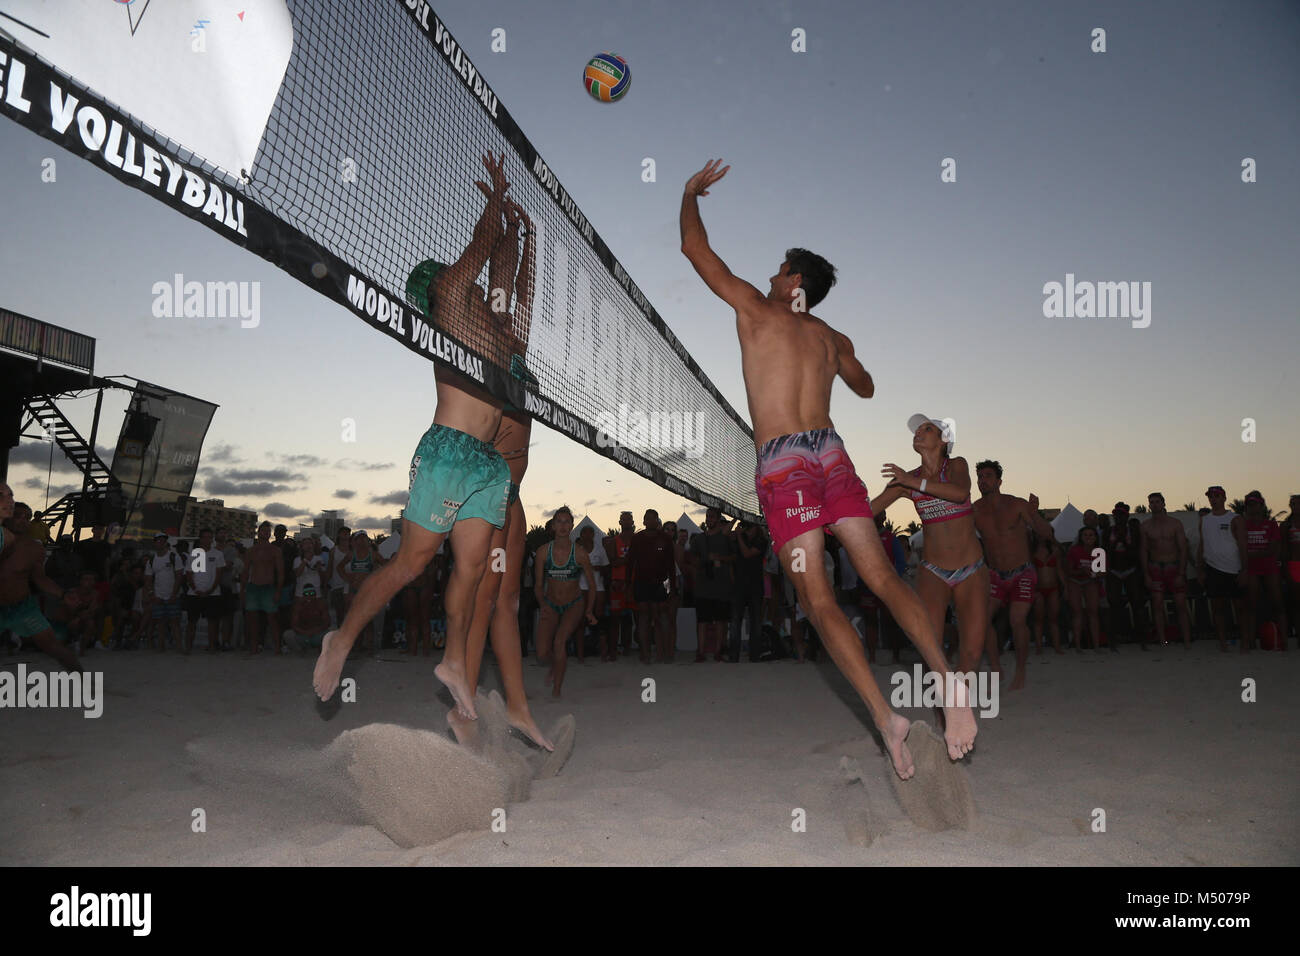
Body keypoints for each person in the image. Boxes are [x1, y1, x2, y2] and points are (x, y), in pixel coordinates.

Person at [679, 158, 975, 774]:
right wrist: (839, 359)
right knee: (883, 579)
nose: (768, 273)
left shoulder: (756, 310)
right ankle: (946, 682)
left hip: (786, 462)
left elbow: (692, 247)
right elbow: (866, 388)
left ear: (793, 282)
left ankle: (886, 718)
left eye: (778, 268)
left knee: (817, 599)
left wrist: (690, 194)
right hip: (832, 453)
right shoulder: (830, 335)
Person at [314, 152, 531, 715]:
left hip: (486, 465)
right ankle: (342, 639)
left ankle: (455, 661)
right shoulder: (453, 302)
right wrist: (493, 209)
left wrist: (519, 232)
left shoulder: (494, 326)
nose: (477, 283)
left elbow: (506, 278)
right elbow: (481, 255)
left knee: (473, 568)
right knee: (413, 564)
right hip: (450, 451)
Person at [869, 415, 989, 676]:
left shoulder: (956, 465)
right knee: (930, 651)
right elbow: (869, 512)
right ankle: (941, 712)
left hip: (972, 569)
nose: (919, 432)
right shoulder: (906, 479)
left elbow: (960, 494)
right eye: (917, 430)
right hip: (933, 571)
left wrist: (912, 482)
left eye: (927, 429)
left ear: (944, 439)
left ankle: (957, 710)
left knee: (972, 653)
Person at [971, 460, 1056, 689]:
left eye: (987, 476)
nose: (982, 480)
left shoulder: (1016, 504)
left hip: (1022, 573)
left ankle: (1020, 670)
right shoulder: (975, 510)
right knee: (982, 620)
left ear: (999, 481)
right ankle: (996, 666)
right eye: (979, 476)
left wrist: (1035, 514)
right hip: (995, 574)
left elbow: (1046, 533)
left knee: (1017, 620)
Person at [0, 493, 84, 672]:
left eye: (27, 517)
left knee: (54, 646)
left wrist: (63, 594)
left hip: (22, 607)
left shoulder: (35, 548)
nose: (23, 520)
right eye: (18, 515)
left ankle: (84, 679)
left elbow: (40, 578)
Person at [531, 507, 597, 698]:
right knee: (542, 653)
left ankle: (557, 691)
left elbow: (592, 586)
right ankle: (556, 664)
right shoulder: (543, 552)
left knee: (560, 642)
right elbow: (537, 585)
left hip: (573, 604)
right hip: (550, 603)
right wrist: (542, 604)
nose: (562, 525)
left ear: (572, 526)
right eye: (559, 521)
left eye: (567, 521)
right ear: (552, 526)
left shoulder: (580, 553)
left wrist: (590, 611)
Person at [1197, 485, 1248, 652]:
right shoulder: (1204, 520)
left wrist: (1244, 570)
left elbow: (1242, 545)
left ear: (1224, 498)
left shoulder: (1235, 518)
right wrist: (1200, 569)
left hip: (1234, 569)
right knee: (1218, 609)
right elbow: (1202, 545)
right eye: (1211, 496)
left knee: (1240, 609)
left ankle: (1245, 643)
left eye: (1217, 496)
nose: (1213, 499)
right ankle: (1222, 643)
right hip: (1213, 569)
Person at [1139, 492, 1192, 648]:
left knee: (1181, 604)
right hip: (1155, 568)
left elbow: (1183, 549)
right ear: (1149, 505)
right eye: (1151, 502)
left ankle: (1187, 640)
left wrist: (1181, 573)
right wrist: (1146, 574)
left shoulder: (1175, 524)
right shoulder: (1146, 526)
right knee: (1157, 605)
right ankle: (1163, 640)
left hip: (1173, 567)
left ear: (1163, 503)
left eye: (1157, 501)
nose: (1154, 504)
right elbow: (1143, 550)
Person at [629, 509, 677, 664]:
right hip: (641, 583)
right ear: (643, 521)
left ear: (657, 521)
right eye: (647, 519)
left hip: (661, 584)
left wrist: (672, 589)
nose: (650, 521)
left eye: (653, 518)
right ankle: (645, 653)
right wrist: (628, 586)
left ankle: (663, 653)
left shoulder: (665, 539)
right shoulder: (637, 538)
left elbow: (671, 567)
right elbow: (630, 564)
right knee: (643, 618)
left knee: (661, 617)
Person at [1242, 491, 1286, 652]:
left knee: (1278, 603)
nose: (1252, 508)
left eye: (1255, 504)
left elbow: (1273, 550)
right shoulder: (1243, 525)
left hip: (1269, 568)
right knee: (1251, 605)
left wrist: (1251, 554)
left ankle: (1284, 641)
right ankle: (1252, 642)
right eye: (1249, 504)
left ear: (1262, 505)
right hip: (1252, 569)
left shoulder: (1271, 524)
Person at [689, 507, 735, 661]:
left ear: (718, 518)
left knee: (720, 621)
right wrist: (703, 562)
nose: (709, 519)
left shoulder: (725, 538)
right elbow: (691, 558)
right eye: (708, 516)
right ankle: (700, 652)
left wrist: (720, 558)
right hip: (703, 587)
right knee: (702, 621)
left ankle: (718, 652)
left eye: (712, 517)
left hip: (721, 586)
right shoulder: (698, 539)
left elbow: (734, 557)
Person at [1103, 502, 1146, 650]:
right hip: (1114, 571)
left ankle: (1142, 640)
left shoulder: (1133, 531)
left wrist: (1123, 542)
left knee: (1137, 605)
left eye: (1121, 515)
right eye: (1116, 515)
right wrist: (1103, 571)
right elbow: (1103, 551)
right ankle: (1112, 641)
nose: (1118, 517)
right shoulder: (1108, 531)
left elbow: (1137, 552)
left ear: (1127, 516)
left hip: (1131, 570)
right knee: (1113, 605)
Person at [181, 527, 226, 654]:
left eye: (210, 537)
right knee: (192, 621)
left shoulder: (217, 554)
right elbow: (190, 574)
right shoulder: (195, 554)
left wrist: (210, 590)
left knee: (212, 621)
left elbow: (219, 574)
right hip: (194, 593)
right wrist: (196, 589)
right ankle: (188, 647)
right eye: (205, 537)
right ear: (200, 539)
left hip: (213, 593)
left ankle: (212, 647)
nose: (207, 540)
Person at [241, 522, 283, 654]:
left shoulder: (275, 550)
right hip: (253, 587)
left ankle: (277, 647)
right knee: (252, 620)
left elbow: (281, 572)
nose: (266, 533)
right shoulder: (251, 551)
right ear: (258, 532)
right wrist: (243, 590)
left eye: (268, 531)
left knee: (272, 619)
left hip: (268, 587)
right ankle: (254, 647)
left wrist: (278, 591)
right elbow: (245, 571)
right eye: (263, 531)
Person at [729, 520, 767, 662]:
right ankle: (734, 656)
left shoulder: (761, 541)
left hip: (755, 587)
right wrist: (734, 521)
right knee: (735, 622)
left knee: (756, 622)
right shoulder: (740, 538)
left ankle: (755, 656)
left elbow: (747, 554)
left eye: (750, 527)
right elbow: (725, 534)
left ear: (756, 528)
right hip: (739, 587)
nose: (747, 530)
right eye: (746, 527)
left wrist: (739, 536)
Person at [603, 512, 638, 657]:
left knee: (634, 619)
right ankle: (612, 650)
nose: (626, 522)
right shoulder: (613, 541)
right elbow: (613, 562)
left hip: (635, 583)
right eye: (623, 520)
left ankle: (629, 648)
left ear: (633, 522)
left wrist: (624, 560)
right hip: (618, 583)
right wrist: (631, 559)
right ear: (619, 522)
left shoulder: (638, 540)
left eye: (628, 519)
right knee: (615, 618)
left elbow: (638, 560)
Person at [1066, 527, 1104, 651]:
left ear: (1095, 537)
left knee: (1093, 612)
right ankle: (1077, 645)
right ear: (1081, 537)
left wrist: (1095, 573)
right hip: (1075, 581)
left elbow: (1102, 572)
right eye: (1085, 535)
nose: (1088, 537)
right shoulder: (1074, 550)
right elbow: (1069, 570)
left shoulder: (1099, 552)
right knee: (1077, 613)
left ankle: (1096, 645)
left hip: (1090, 581)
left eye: (1091, 535)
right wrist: (1082, 570)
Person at [144, 533, 184, 652]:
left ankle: (179, 647)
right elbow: (147, 579)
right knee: (160, 623)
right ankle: (161, 647)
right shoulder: (151, 560)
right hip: (158, 595)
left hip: (172, 595)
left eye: (163, 540)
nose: (161, 542)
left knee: (175, 622)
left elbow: (179, 577)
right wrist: (152, 594)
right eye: (158, 540)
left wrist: (174, 594)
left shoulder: (174, 556)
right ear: (155, 542)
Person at [1030, 529, 1064, 654]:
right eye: (1039, 533)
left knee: (1054, 619)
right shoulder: (1031, 551)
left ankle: (1057, 647)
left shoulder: (1055, 550)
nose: (1041, 536)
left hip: (1053, 588)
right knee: (1038, 619)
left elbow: (1059, 570)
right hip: (1038, 589)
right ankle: (1039, 648)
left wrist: (1065, 587)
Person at [1283, 494, 1300, 646]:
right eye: (1292, 503)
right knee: (1295, 602)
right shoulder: (1287, 525)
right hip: (1294, 565)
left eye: (1296, 503)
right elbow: (1283, 548)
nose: (1294, 506)